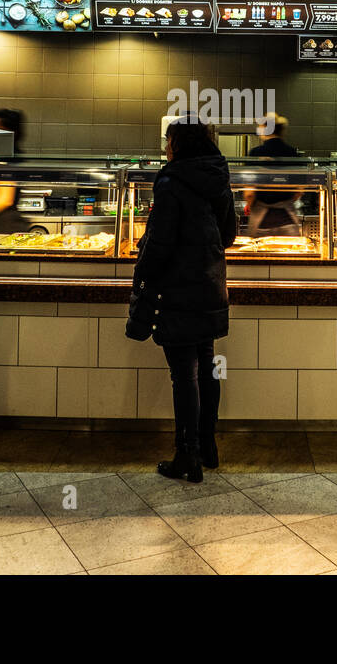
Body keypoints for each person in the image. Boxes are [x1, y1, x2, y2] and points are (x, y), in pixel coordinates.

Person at [126, 114, 237, 483]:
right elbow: (229, 235)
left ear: (177, 144)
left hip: (177, 287)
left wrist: (143, 273)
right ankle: (208, 447)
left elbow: (160, 242)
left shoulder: (171, 181)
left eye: (168, 141)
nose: (165, 148)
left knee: (183, 375)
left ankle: (185, 457)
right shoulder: (219, 176)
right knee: (206, 366)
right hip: (209, 283)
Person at [244, 113, 303, 237]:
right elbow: (299, 190)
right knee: (289, 255)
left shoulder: (255, 153)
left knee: (260, 254)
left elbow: (249, 192)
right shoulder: (292, 153)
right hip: (287, 220)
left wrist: (249, 205)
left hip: (261, 221)